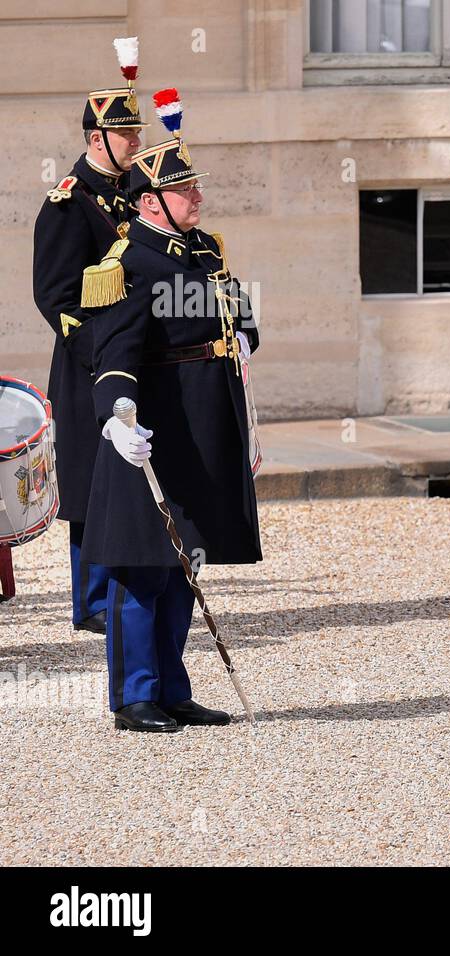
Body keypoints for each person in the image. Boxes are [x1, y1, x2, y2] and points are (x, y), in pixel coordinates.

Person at [80, 88, 261, 733]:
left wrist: (243, 332)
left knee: (187, 562)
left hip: (204, 427)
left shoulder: (204, 250)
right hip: (151, 426)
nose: (199, 199)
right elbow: (114, 350)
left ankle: (174, 688)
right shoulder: (130, 263)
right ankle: (135, 694)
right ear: (153, 200)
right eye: (187, 192)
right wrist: (116, 411)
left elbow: (235, 308)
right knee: (145, 567)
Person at [31, 38, 145, 634]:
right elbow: (54, 295)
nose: (136, 142)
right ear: (96, 139)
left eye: (137, 133)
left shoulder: (137, 195)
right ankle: (93, 601)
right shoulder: (67, 205)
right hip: (90, 363)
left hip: (139, 358)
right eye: (127, 135)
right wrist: (99, 352)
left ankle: (130, 589)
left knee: (132, 476)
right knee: (93, 482)